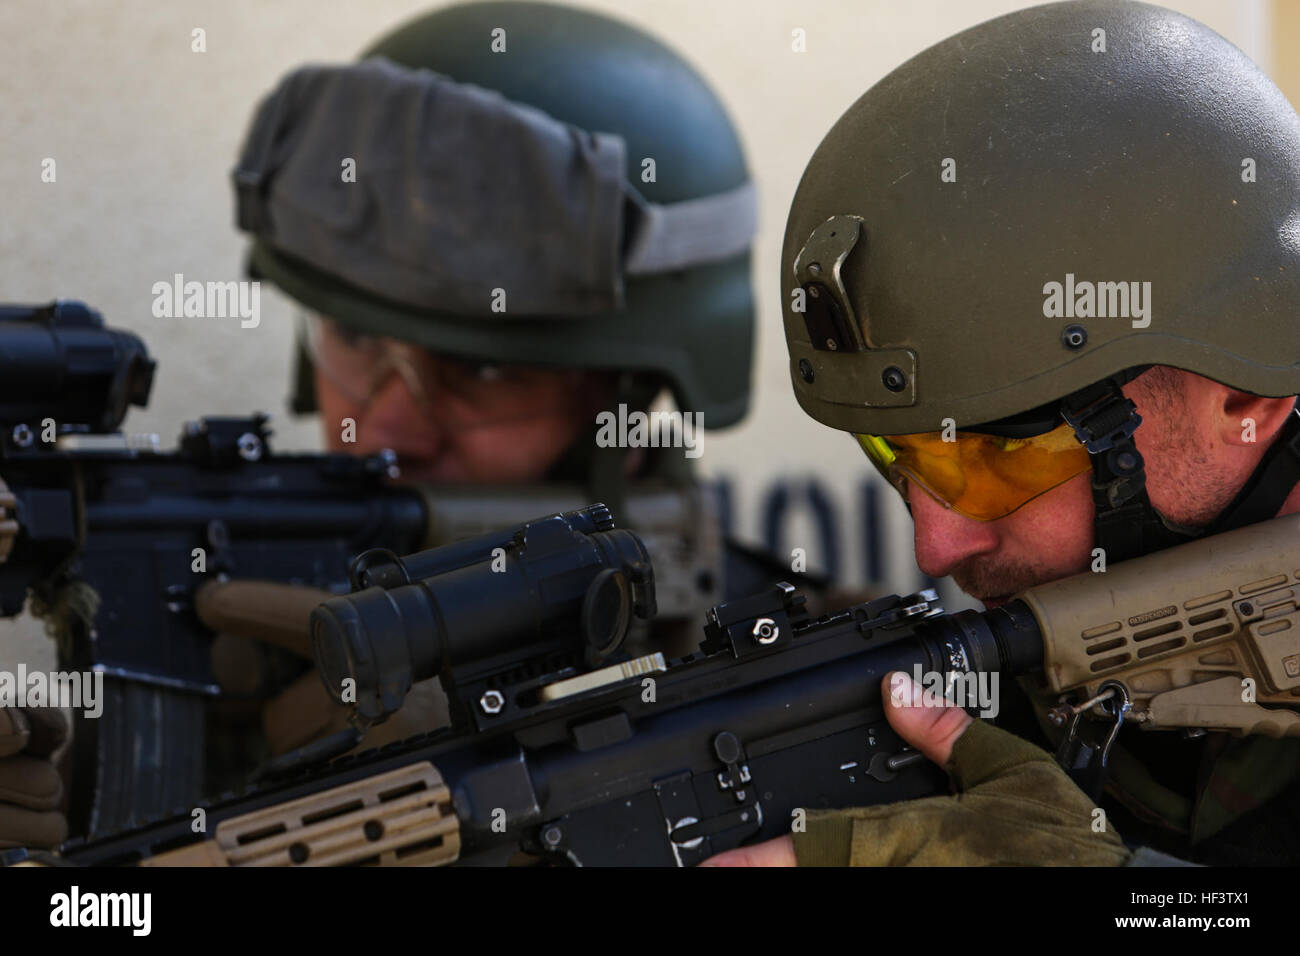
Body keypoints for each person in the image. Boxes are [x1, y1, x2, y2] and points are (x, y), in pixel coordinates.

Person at [706, 0, 1300, 866]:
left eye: (997, 455)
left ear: (1245, 400)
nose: (935, 544)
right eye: (899, 460)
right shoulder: (1009, 690)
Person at [223, 0, 846, 759]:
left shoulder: (807, 679)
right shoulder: (231, 629)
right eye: (353, 337)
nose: (386, 429)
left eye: (483, 370)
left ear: (625, 395)